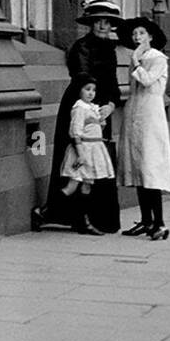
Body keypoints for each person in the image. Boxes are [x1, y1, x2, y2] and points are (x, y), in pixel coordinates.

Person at [32, 0, 123, 233]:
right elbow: (82, 79)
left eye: (107, 21)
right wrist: (94, 109)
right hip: (80, 109)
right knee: (77, 165)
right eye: (98, 21)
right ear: (91, 23)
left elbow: (113, 84)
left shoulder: (110, 49)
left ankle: (92, 218)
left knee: (94, 168)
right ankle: (67, 216)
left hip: (101, 111)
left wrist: (111, 106)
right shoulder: (81, 47)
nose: (103, 26)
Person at [118, 17, 170, 241]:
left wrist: (135, 61)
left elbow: (149, 81)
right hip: (135, 112)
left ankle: (159, 222)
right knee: (139, 167)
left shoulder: (157, 57)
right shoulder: (139, 59)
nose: (137, 38)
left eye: (141, 33)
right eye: (134, 35)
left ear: (150, 36)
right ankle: (146, 220)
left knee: (151, 168)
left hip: (151, 114)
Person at [57, 77, 115, 236]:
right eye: (87, 89)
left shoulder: (92, 108)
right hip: (82, 152)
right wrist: (81, 155)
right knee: (71, 186)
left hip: (93, 151)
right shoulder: (79, 108)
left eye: (93, 90)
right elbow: (76, 131)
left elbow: (96, 127)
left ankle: (84, 221)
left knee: (87, 186)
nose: (91, 93)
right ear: (79, 91)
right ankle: (46, 211)